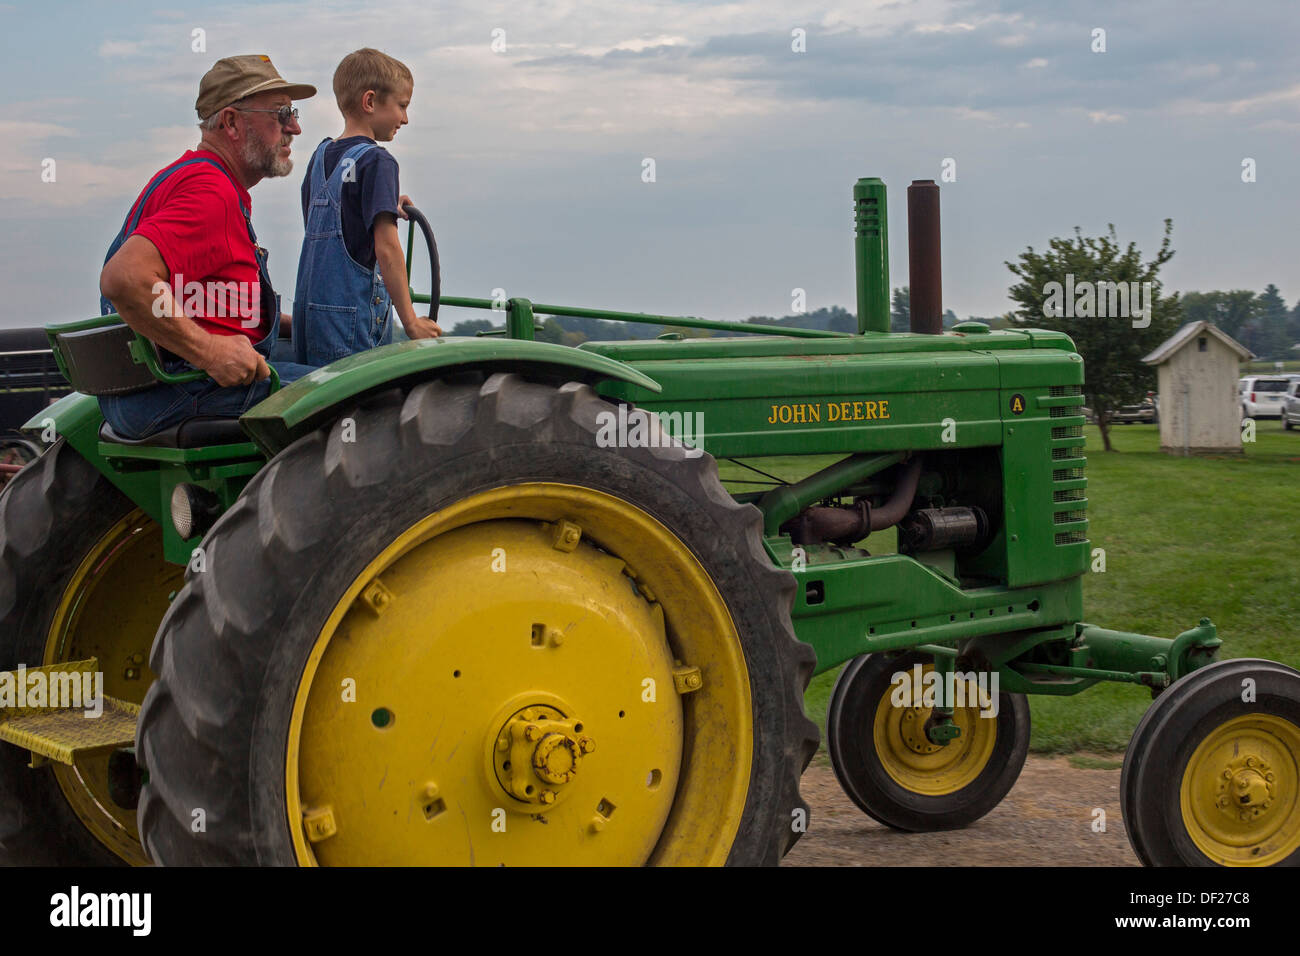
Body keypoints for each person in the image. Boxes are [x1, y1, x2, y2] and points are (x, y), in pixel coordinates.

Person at [97, 54, 318, 439]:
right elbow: (125, 279)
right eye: (281, 113)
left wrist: (288, 323)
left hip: (146, 390)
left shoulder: (186, 177)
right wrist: (210, 352)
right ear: (232, 122)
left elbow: (197, 297)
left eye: (294, 113)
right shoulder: (210, 192)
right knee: (364, 396)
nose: (295, 127)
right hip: (181, 387)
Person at [292, 47, 441, 368]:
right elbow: (386, 249)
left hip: (312, 321)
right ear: (370, 102)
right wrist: (411, 321)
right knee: (362, 409)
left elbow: (333, 225)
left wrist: (383, 202)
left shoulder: (320, 158)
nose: (405, 118)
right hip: (351, 327)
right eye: (401, 106)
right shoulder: (378, 161)